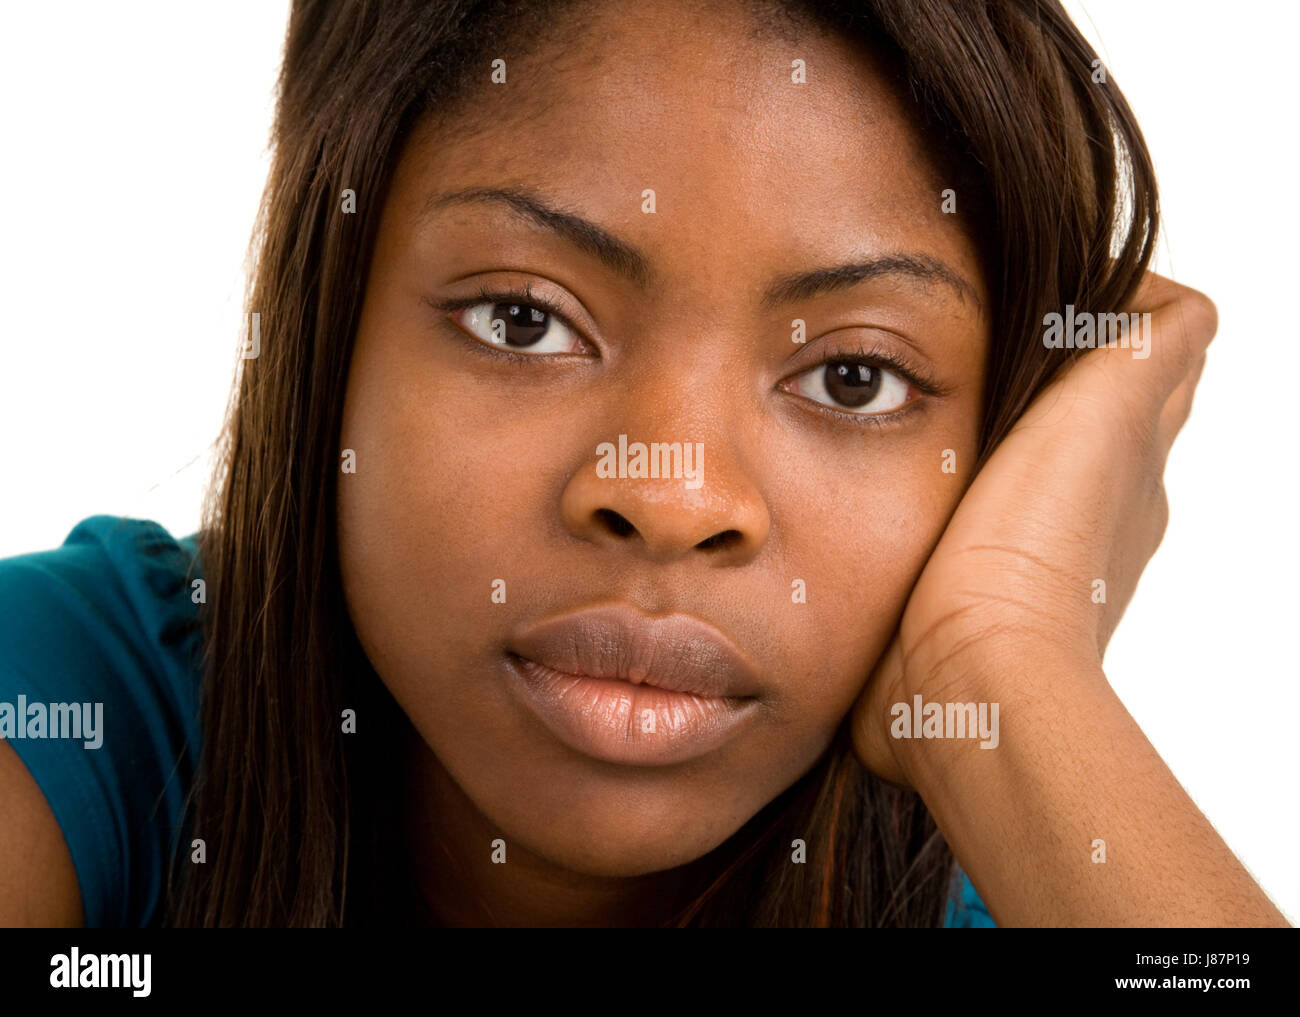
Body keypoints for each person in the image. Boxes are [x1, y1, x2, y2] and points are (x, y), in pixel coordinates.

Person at [0, 0, 1287, 927]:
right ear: (329, 327)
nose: (669, 496)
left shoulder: (1035, 884)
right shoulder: (71, 707)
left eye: (855, 377)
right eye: (524, 319)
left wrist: (1004, 657)